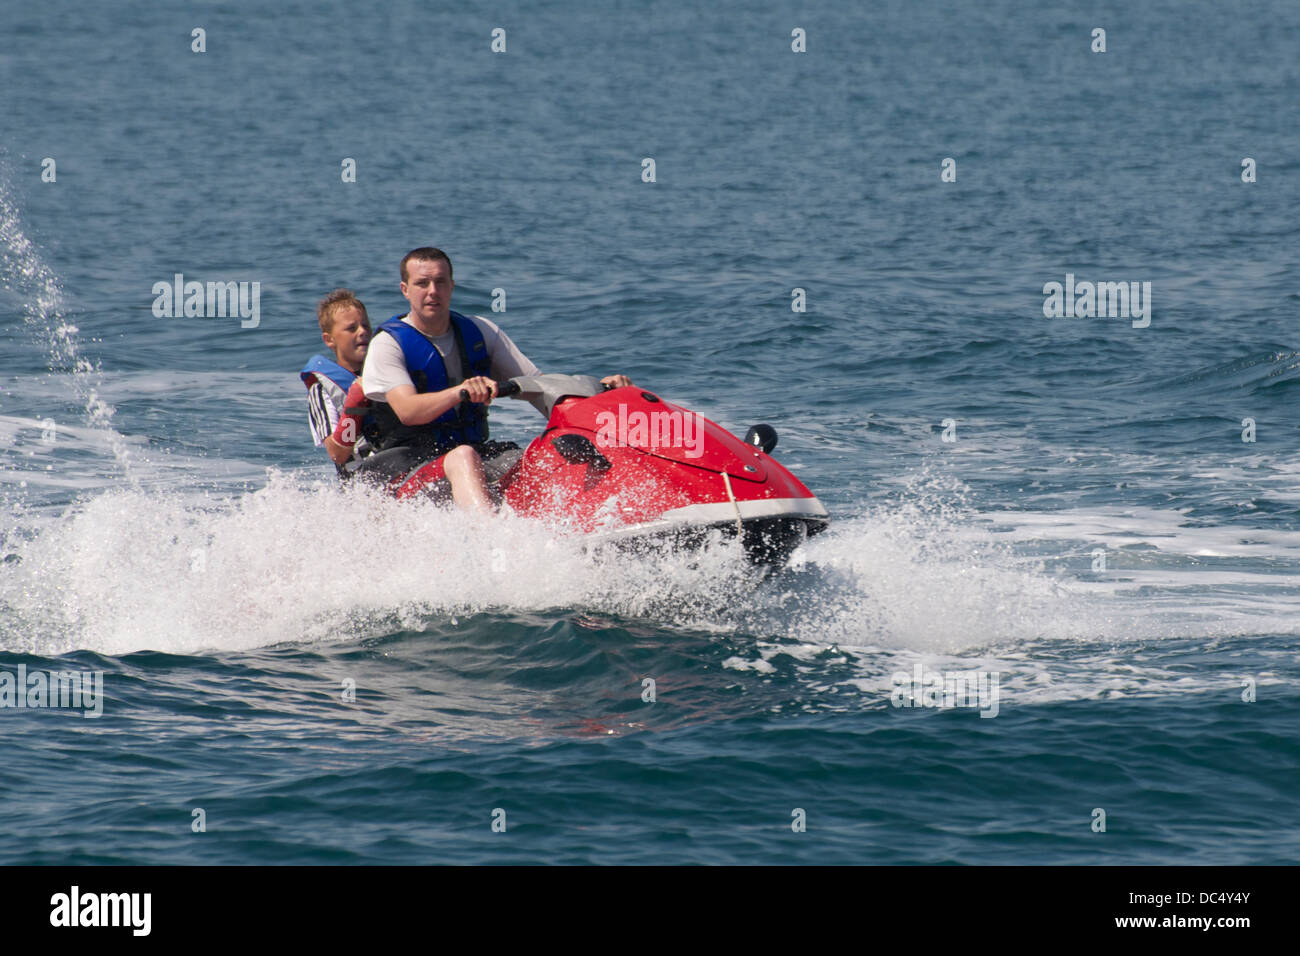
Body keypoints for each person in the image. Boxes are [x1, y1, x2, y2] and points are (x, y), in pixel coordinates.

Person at [359, 246, 632, 511]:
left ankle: (607, 513)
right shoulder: (387, 344)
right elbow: (409, 411)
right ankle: (491, 542)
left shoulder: (480, 331)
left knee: (549, 456)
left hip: (476, 453)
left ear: (452, 286)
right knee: (463, 457)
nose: (433, 291)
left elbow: (540, 388)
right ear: (405, 290)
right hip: (404, 469)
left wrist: (601, 394)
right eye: (422, 283)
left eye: (440, 282)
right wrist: (459, 392)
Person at [300, 290, 377, 474]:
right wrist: (354, 406)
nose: (363, 332)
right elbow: (337, 454)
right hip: (362, 483)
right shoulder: (321, 391)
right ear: (329, 339)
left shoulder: (388, 372)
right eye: (352, 328)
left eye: (366, 326)